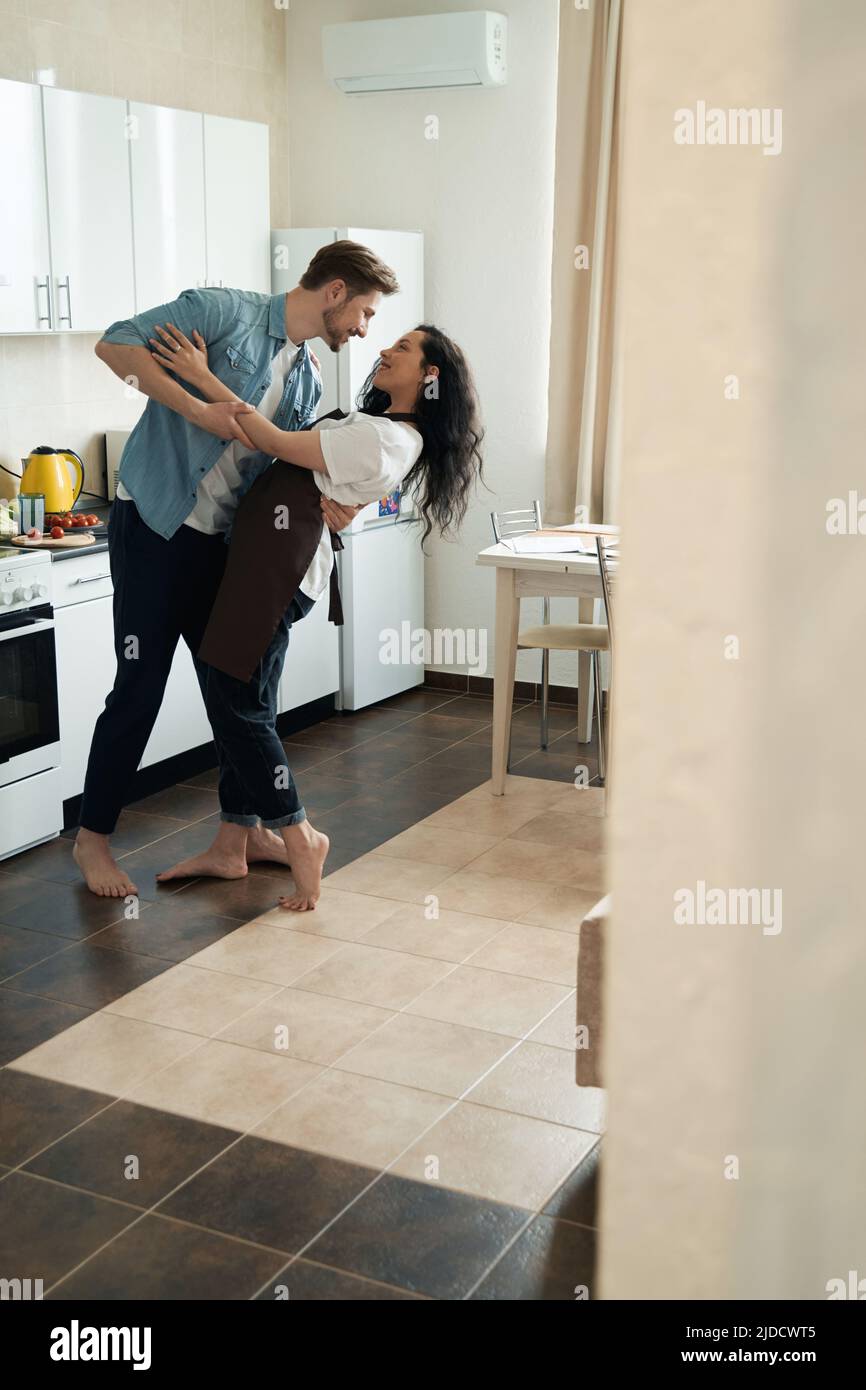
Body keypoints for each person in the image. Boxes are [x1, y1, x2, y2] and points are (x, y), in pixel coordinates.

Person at [74, 242, 400, 898]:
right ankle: (92, 842)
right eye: (364, 311)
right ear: (335, 291)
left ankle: (242, 832)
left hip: (213, 544)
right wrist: (195, 407)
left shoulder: (306, 375)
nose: (365, 328)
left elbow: (283, 458)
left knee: (234, 686)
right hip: (154, 526)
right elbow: (115, 347)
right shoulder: (223, 310)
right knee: (139, 688)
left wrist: (338, 504)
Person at [145, 319, 485, 910]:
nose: (383, 348)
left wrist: (200, 378)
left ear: (430, 376)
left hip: (276, 569)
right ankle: (237, 840)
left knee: (234, 700)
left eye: (401, 348)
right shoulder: (387, 429)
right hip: (272, 562)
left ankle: (299, 833)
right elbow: (323, 470)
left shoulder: (386, 438)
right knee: (249, 700)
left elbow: (272, 442)